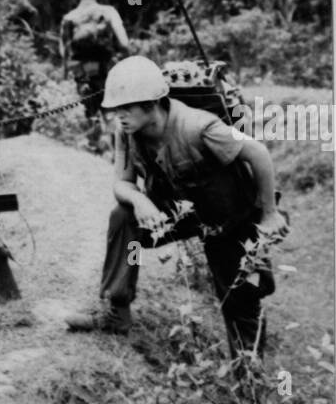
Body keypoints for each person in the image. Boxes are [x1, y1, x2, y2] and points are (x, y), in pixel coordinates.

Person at [67, 57, 289, 359]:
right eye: (115, 109)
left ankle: (249, 378)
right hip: (179, 212)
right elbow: (121, 182)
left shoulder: (200, 126)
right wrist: (139, 200)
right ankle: (117, 311)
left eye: (126, 108)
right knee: (123, 217)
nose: (119, 116)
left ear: (153, 103)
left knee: (239, 298)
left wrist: (269, 214)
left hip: (228, 220)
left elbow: (258, 154)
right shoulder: (127, 132)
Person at [60, 0, 130, 141]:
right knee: (113, 113)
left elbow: (64, 52)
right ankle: (117, 152)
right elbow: (124, 43)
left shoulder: (69, 18)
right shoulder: (109, 12)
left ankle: (95, 150)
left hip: (82, 74)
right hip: (108, 72)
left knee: (89, 115)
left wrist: (66, 73)